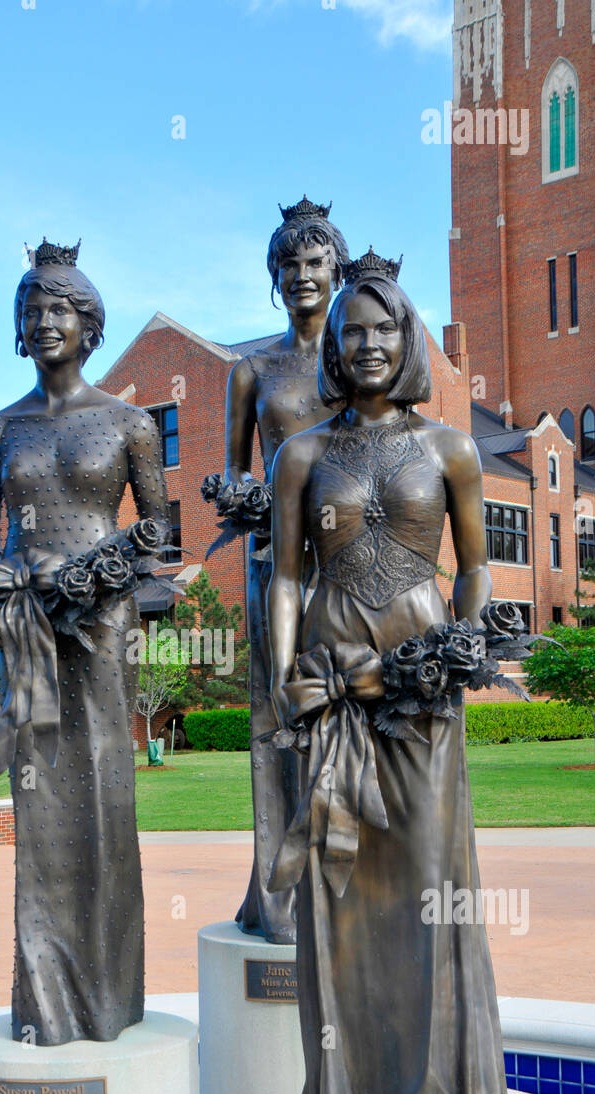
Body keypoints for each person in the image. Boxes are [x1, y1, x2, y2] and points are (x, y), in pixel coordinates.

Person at [267, 249, 513, 1094]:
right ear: (331, 345)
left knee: (424, 873)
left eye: (382, 330)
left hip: (417, 686)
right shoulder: (300, 454)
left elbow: (479, 567)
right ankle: (350, 1093)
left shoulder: (449, 447)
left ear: (405, 340)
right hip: (331, 679)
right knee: (340, 886)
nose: (367, 344)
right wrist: (285, 674)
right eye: (350, 331)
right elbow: (285, 578)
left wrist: (456, 646)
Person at [0, 239, 170, 1046]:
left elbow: (155, 531)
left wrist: (93, 574)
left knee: (102, 795)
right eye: (31, 310)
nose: (44, 321)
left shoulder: (128, 423)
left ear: (88, 325)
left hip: (101, 622)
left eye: (59, 309)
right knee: (39, 804)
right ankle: (44, 1001)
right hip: (27, 629)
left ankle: (108, 997)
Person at [225, 197, 350, 943]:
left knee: (341, 713)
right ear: (273, 276)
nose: (300, 275)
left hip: (344, 560)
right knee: (277, 716)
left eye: (312, 263)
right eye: (287, 265)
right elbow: (234, 479)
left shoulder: (361, 360)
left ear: (333, 269)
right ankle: (278, 897)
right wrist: (245, 501)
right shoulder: (252, 370)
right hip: (273, 561)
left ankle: (342, 883)